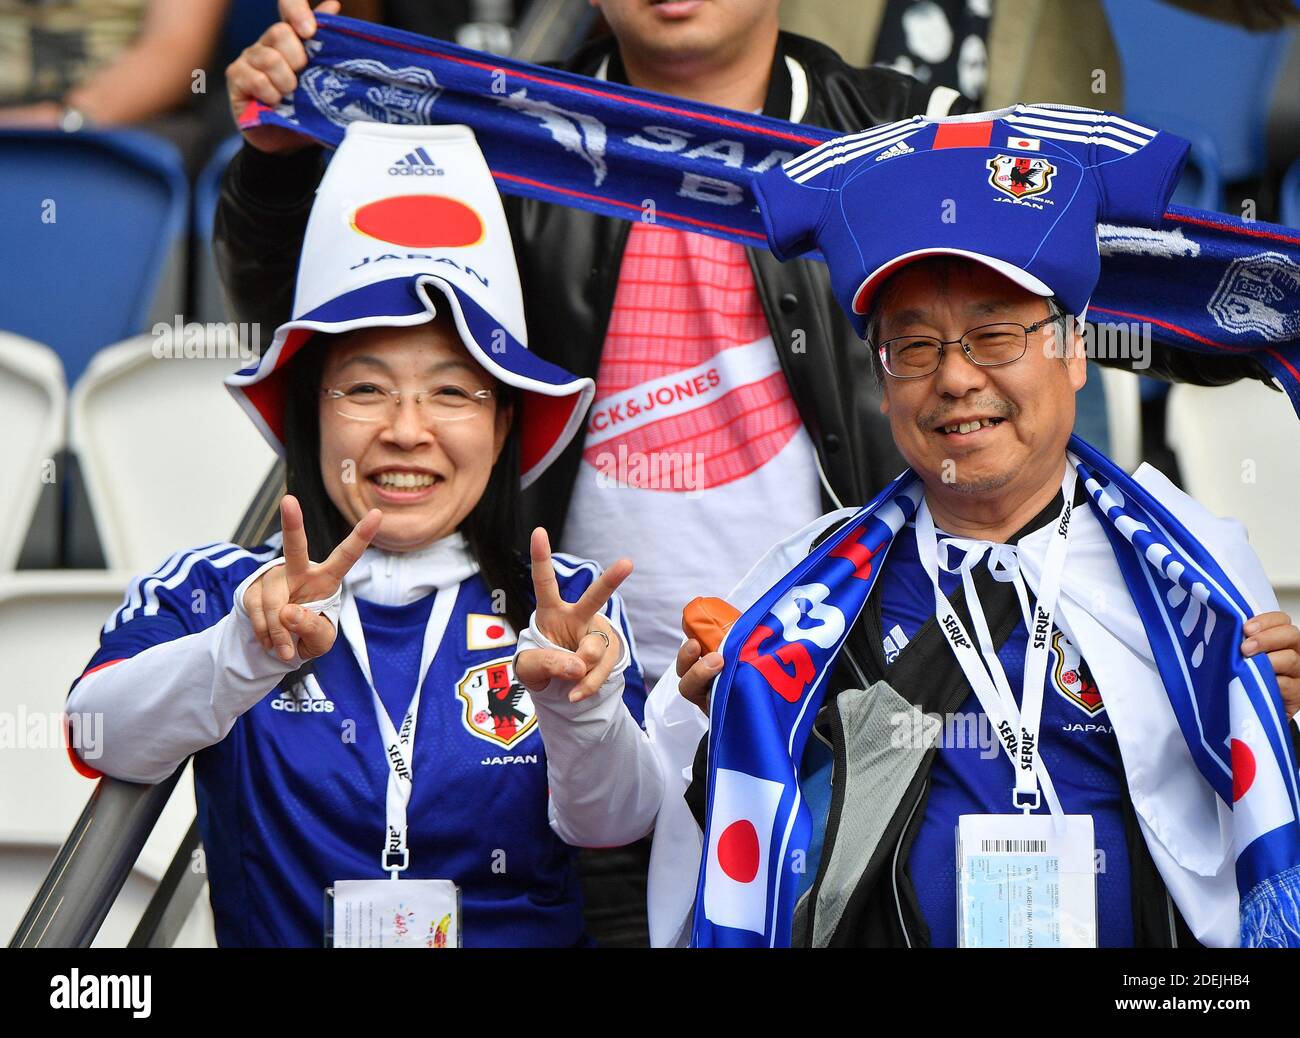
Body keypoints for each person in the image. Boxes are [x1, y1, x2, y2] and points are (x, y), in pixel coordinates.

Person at [520, 105, 1300, 948]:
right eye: (915, 348)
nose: (957, 378)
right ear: (883, 381)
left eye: (995, 335)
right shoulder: (797, 590)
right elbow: (619, 816)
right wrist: (583, 707)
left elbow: (1265, 841)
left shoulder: (1192, 574)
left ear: (1075, 350)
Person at [66, 121, 647, 948]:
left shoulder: (565, 608)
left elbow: (616, 823)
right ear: (311, 411)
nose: (407, 431)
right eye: (366, 389)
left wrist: (580, 711)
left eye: (453, 393)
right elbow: (97, 734)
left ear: (505, 421)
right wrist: (242, 651)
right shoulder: (214, 587)